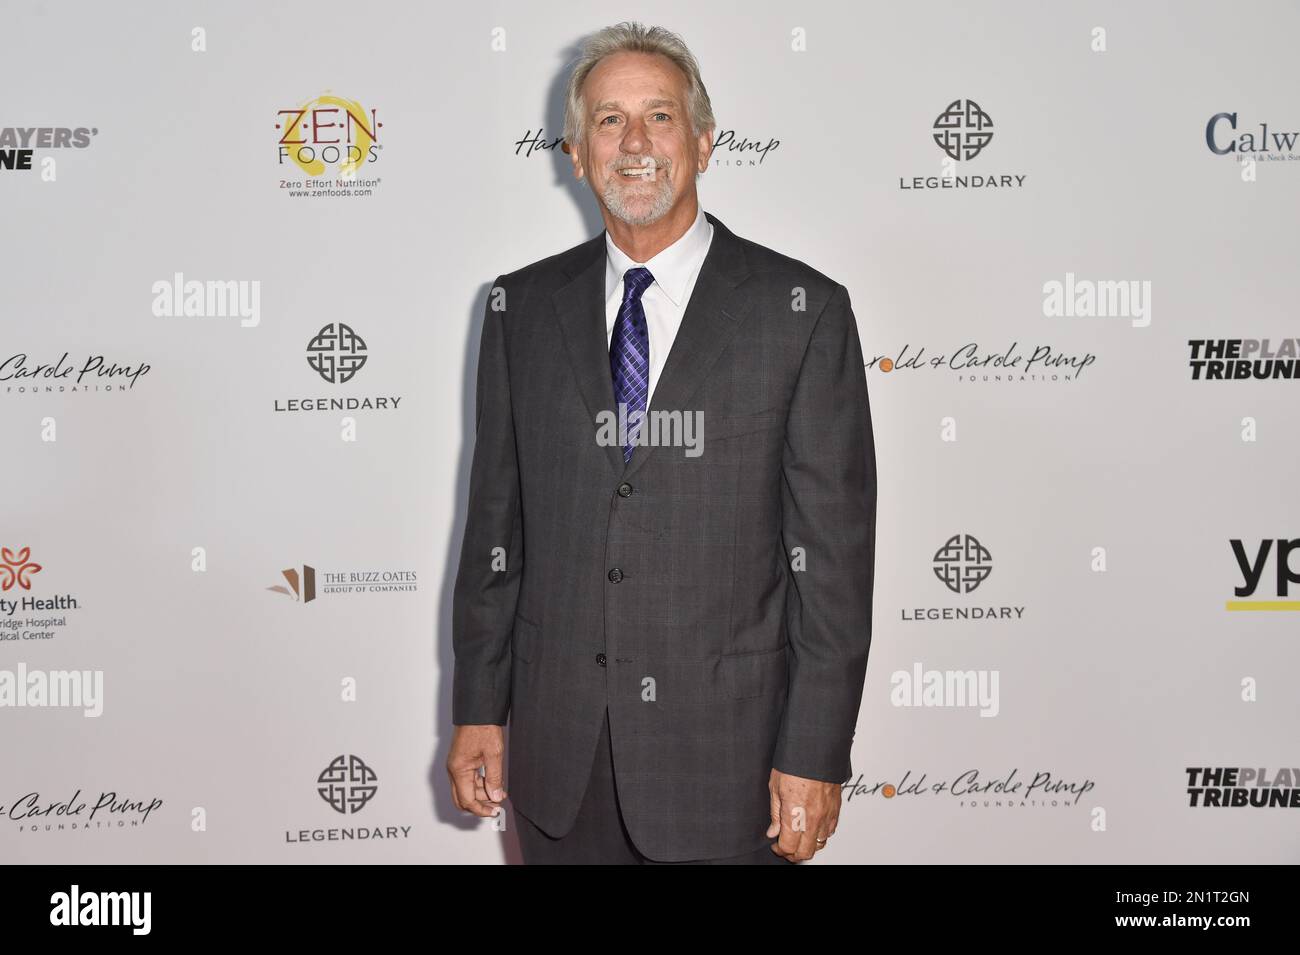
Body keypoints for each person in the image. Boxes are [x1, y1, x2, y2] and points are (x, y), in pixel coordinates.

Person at [446, 21, 877, 864]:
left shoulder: (801, 311)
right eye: (609, 120)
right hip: (560, 769)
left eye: (660, 117)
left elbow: (831, 567)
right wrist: (478, 705)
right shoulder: (518, 310)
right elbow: (496, 529)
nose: (635, 142)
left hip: (731, 772)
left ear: (705, 142)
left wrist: (816, 751)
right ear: (577, 154)